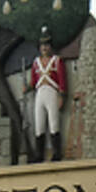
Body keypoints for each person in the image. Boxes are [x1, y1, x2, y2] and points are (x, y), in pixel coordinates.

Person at [27, 32, 67, 162]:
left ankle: (57, 153)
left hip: (52, 92)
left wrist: (61, 95)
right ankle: (39, 155)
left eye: (46, 45)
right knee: (39, 124)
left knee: (54, 123)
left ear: (50, 47)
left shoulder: (56, 60)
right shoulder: (36, 62)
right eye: (42, 46)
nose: (44, 48)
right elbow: (33, 81)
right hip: (40, 93)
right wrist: (27, 87)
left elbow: (62, 79)